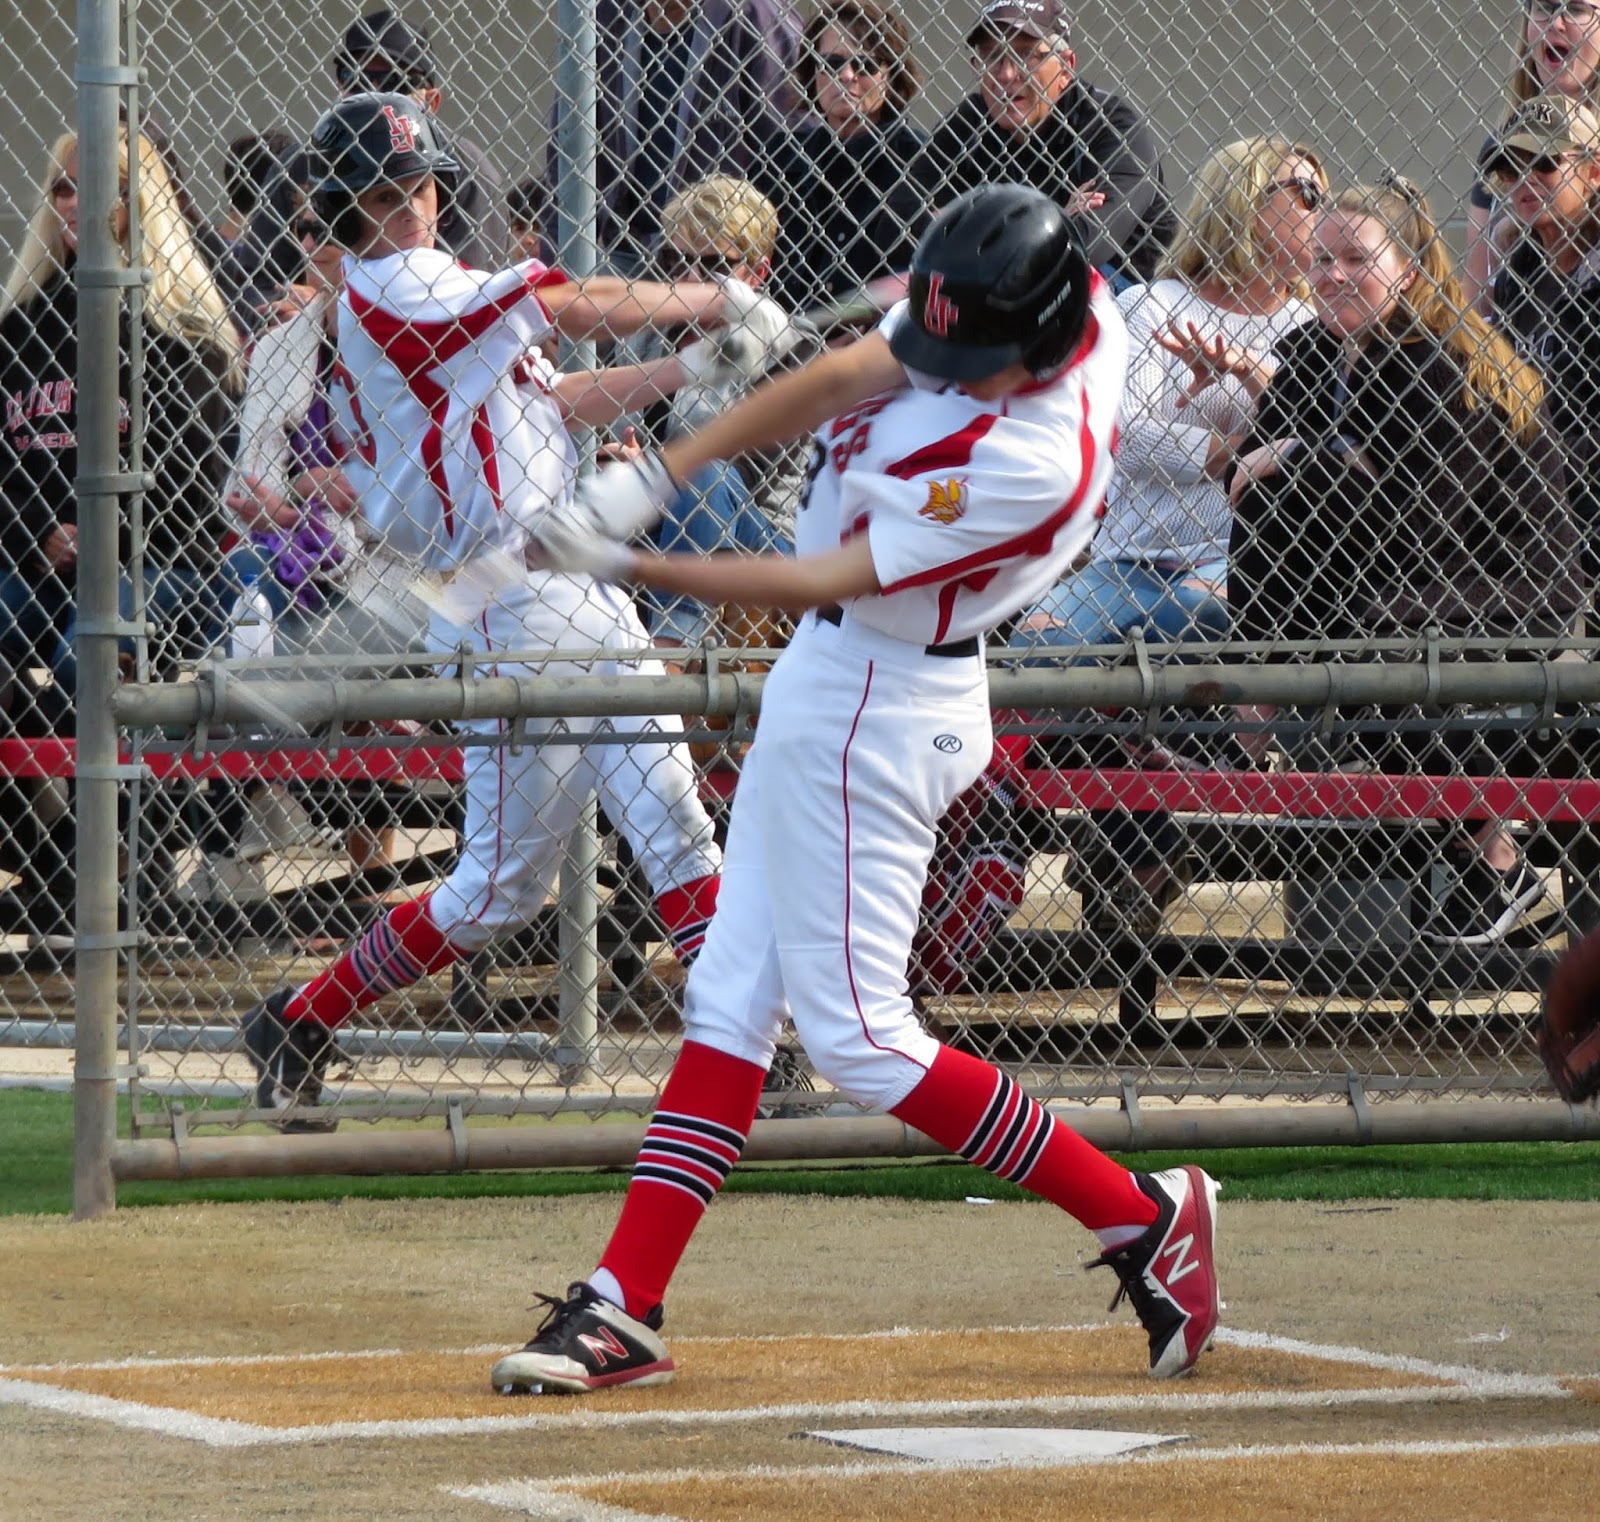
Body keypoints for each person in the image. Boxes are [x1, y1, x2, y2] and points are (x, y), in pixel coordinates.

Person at [491, 184, 1222, 1393]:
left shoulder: (1037, 459)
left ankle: (1141, 1216)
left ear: (1031, 348)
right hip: (836, 683)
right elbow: (848, 373)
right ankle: (626, 1301)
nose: (942, 371)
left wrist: (622, 551)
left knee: (863, 1042)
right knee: (729, 996)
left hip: (882, 705)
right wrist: (673, 459)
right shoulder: (1061, 301)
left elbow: (817, 571)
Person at [237, 93, 798, 1126]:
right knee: (498, 888)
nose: (411, 208)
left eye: (419, 186)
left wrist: (693, 367)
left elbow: (562, 395)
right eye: (382, 194)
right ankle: (301, 1011)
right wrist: (709, 300)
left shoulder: (448, 290)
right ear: (345, 210)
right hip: (506, 600)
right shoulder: (389, 290)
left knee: (674, 829)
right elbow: (573, 301)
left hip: (568, 576)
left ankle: (751, 1057)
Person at [1227, 175, 1585, 945]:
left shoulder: (1442, 365)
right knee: (1289, 527)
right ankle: (1255, 699)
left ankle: (1496, 864)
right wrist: (1255, 659)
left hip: (1506, 582)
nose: (1332, 275)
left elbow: (1416, 521)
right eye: (1320, 260)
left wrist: (1300, 454)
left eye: (1357, 257)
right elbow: (1253, 504)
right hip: (1394, 580)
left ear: (1409, 272)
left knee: (1369, 636)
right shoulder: (1314, 359)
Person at [1018, 137, 1325, 929]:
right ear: (1247, 203)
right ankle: (1023, 826)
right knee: (1036, 644)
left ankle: (1137, 854)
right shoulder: (1154, 306)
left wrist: (1237, 417)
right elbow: (1129, 434)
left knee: (1178, 676)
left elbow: (1316, 440)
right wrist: (1239, 450)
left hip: (1235, 565)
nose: (1319, 214)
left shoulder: (1310, 321)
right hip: (1130, 560)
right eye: (1304, 193)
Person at [0, 126, 243, 950]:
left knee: (85, 654)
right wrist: (42, 532)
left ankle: (95, 878)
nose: (77, 204)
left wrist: (102, 534)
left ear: (144, 202)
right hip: (39, 563)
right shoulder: (20, 331)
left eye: (99, 186)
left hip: (162, 562)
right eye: (64, 187)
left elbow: (191, 496)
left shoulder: (187, 339)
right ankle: (54, 857)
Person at [903, 0, 1175, 290]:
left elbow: (1087, 246)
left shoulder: (1112, 125)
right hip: (1000, 296)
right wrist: (1056, 220)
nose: (1005, 75)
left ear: (1066, 68)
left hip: (1127, 296)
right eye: (993, 57)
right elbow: (897, 220)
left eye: (1025, 55)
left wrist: (963, 232)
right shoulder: (970, 121)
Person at [554, 0, 807, 274]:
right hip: (628, 248)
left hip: (720, 256)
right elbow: (564, 158)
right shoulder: (605, 15)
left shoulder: (756, 17)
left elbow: (790, 158)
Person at [1486, 95, 1600, 579]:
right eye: (1511, 168)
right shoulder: (1520, 269)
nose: (1525, 180)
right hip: (1533, 494)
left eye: (1546, 162)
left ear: (1594, 172)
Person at [753, 0, 927, 315]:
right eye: (831, 64)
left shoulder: (920, 159)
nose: (846, 76)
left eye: (865, 65)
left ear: (890, 75)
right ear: (812, 73)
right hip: (776, 330)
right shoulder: (781, 155)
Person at [332, 7, 508, 269]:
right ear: (341, 91)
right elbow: (258, 283)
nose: (375, 96)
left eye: (396, 82)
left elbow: (469, 294)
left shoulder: (468, 171)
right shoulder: (310, 160)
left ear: (431, 101)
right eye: (357, 80)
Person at [1464, 0, 1600, 314]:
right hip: (1520, 338)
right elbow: (1476, 294)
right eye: (1545, 7)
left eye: (1577, 9)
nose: (1556, 23)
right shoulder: (1501, 142)